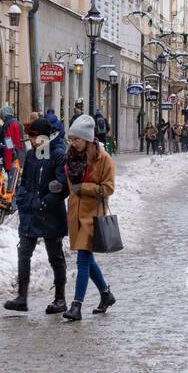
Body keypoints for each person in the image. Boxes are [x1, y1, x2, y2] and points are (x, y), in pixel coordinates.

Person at [7, 117, 69, 314]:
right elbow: (24, 180)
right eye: (31, 138)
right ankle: (22, 297)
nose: (32, 142)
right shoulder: (33, 156)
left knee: (55, 256)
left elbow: (62, 186)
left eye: (36, 137)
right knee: (24, 253)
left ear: (45, 137)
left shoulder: (58, 155)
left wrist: (46, 201)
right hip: (30, 213)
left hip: (50, 214)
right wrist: (22, 199)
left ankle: (60, 298)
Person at [63, 114, 117, 322]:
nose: (73, 143)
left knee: (83, 259)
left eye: (77, 139)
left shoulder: (103, 158)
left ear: (87, 139)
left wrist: (84, 188)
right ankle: (106, 294)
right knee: (88, 259)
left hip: (93, 215)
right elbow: (68, 183)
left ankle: (76, 305)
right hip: (75, 213)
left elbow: (109, 188)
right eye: (72, 139)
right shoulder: (70, 156)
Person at [0, 105, 23, 179]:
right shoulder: (18, 122)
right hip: (21, 155)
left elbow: (8, 144)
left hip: (12, 158)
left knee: (12, 184)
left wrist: (7, 165)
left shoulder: (7, 124)